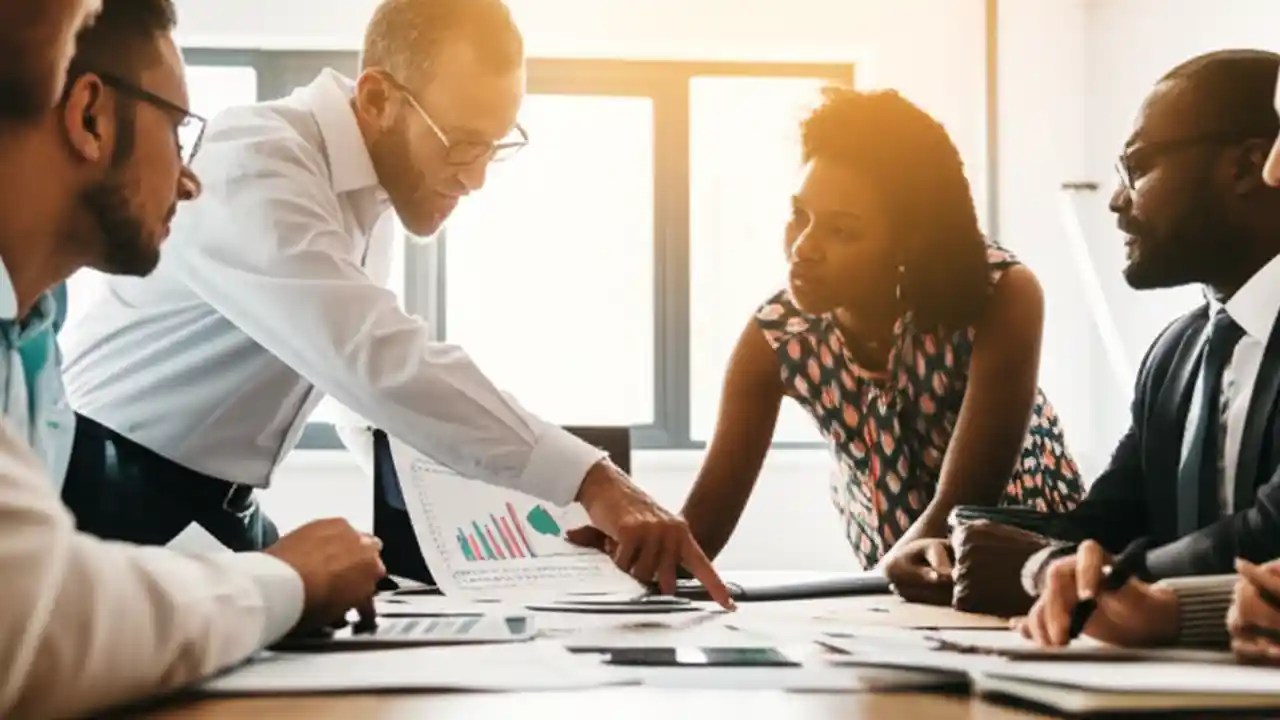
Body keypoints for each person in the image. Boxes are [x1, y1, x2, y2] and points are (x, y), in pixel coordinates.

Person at [57, 0, 731, 606]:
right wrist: (592, 479)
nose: (475, 179)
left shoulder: (370, 197)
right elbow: (372, 357)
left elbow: (361, 397)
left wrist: (496, 528)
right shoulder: (258, 161)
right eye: (462, 144)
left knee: (354, 609)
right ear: (377, 99)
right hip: (108, 481)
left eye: (495, 148)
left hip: (219, 502)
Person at [0, 1, 385, 716]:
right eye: (178, 132)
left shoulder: (33, 334)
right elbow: (35, 616)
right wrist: (283, 580)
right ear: (91, 117)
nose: (189, 179)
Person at [677, 88, 1084, 588]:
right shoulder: (779, 336)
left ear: (907, 241)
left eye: (841, 231)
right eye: (799, 215)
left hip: (1037, 582)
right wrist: (625, 552)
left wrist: (869, 600)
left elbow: (961, 507)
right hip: (891, 585)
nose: (803, 247)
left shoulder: (1000, 294)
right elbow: (701, 527)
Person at [1020, 52, 1280, 662]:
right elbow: (1105, 521)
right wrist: (1047, 565)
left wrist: (1112, 584)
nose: (1116, 200)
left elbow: (1268, 530)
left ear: (1245, 166)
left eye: (1136, 166)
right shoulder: (1175, 351)